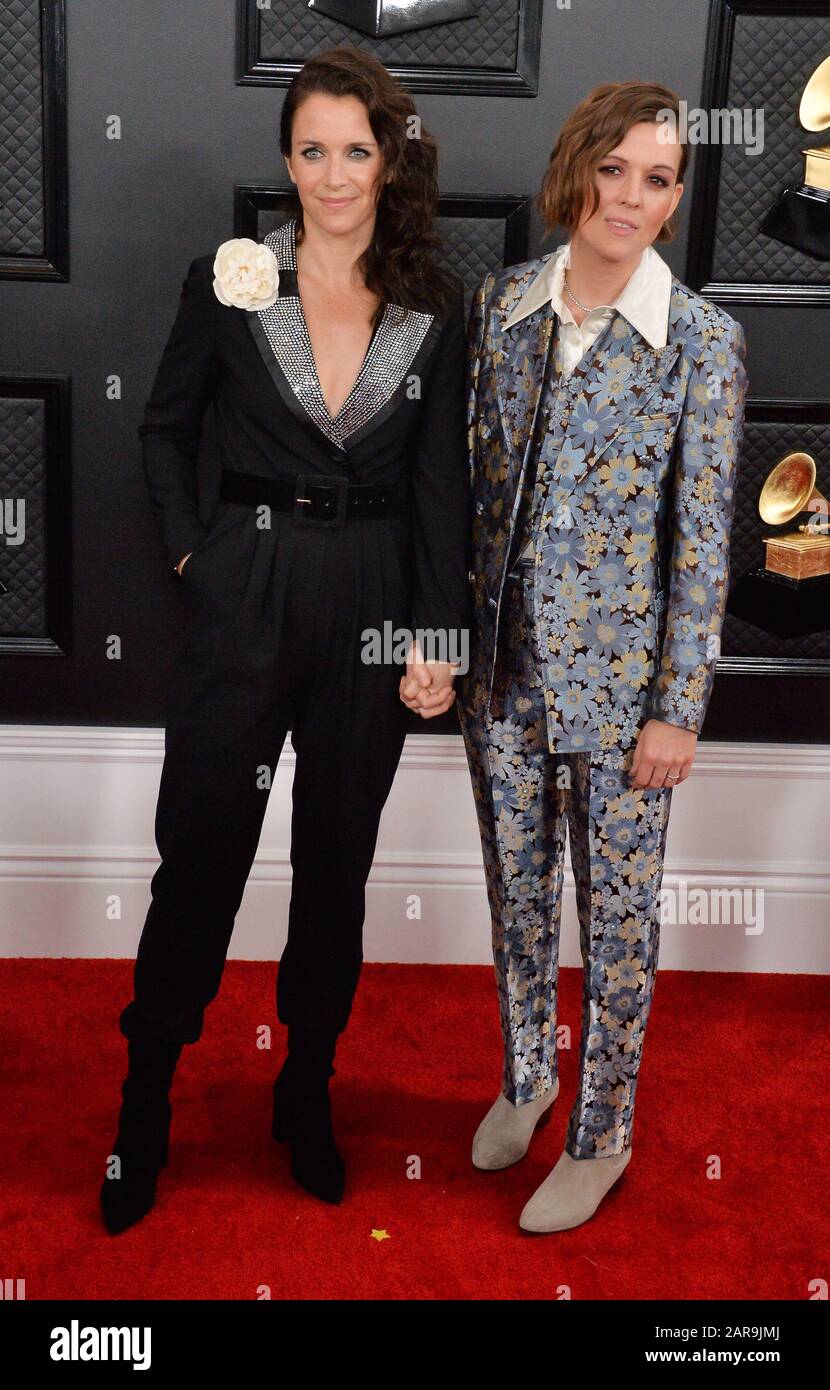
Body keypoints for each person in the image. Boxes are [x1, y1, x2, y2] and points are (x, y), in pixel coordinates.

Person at [100, 45, 471, 1235]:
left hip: (372, 591)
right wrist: (195, 559)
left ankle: (302, 1089)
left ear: (387, 159)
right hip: (246, 583)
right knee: (199, 852)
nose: (330, 173)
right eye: (310, 149)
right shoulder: (229, 280)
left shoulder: (433, 301)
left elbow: (436, 489)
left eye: (354, 149)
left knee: (335, 871)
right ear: (285, 160)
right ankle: (142, 1106)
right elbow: (164, 434)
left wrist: (435, 631)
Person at [456, 81, 748, 1232]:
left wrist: (678, 708)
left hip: (628, 701)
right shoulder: (501, 307)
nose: (629, 196)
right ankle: (528, 1077)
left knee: (615, 918)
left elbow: (704, 542)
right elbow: (471, 498)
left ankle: (601, 1130)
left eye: (657, 178)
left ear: (675, 197)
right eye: (613, 168)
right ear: (576, 166)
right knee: (514, 896)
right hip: (501, 678)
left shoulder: (704, 343)